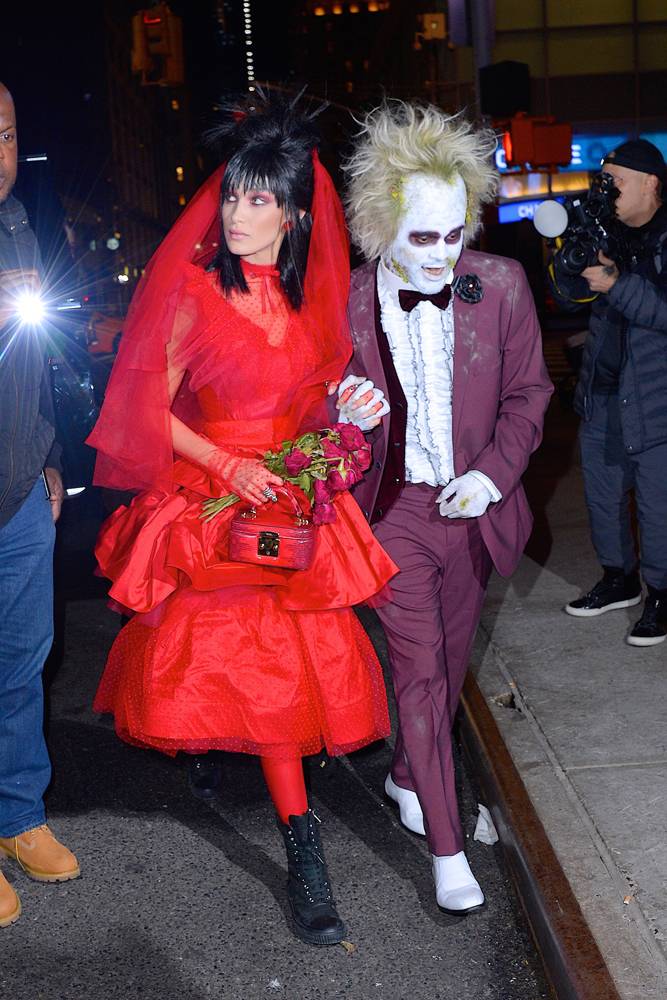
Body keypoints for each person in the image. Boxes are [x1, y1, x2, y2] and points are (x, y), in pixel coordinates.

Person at [87, 95, 396, 946]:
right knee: (239, 668)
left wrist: (339, 426)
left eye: (258, 199)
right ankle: (286, 833)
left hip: (286, 499)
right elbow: (146, 407)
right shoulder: (193, 292)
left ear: (293, 214)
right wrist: (228, 467)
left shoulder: (313, 301)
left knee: (280, 676)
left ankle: (297, 845)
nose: (236, 212)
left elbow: (317, 403)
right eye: (231, 194)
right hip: (213, 493)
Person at [340, 102, 552, 913]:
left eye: (454, 234)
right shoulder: (346, 301)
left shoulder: (497, 284)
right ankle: (445, 845)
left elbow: (529, 393)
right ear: (379, 226)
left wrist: (491, 478)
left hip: (472, 514)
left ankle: (406, 774)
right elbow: (311, 404)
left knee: (449, 665)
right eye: (422, 236)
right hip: (391, 513)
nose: (441, 253)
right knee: (422, 677)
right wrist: (341, 408)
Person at [0, 82, 80, 929]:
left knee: (22, 662)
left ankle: (18, 814)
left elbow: (37, 360)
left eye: (6, 135)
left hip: (20, 489)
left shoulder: (19, 225)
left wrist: (51, 459)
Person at [555, 140, 667, 646]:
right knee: (602, 496)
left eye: (616, 181)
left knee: (657, 506)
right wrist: (571, 260)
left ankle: (660, 596)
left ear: (650, 182)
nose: (608, 190)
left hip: (655, 397)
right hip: (603, 391)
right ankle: (618, 579)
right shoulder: (605, 233)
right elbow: (567, 297)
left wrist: (616, 284)